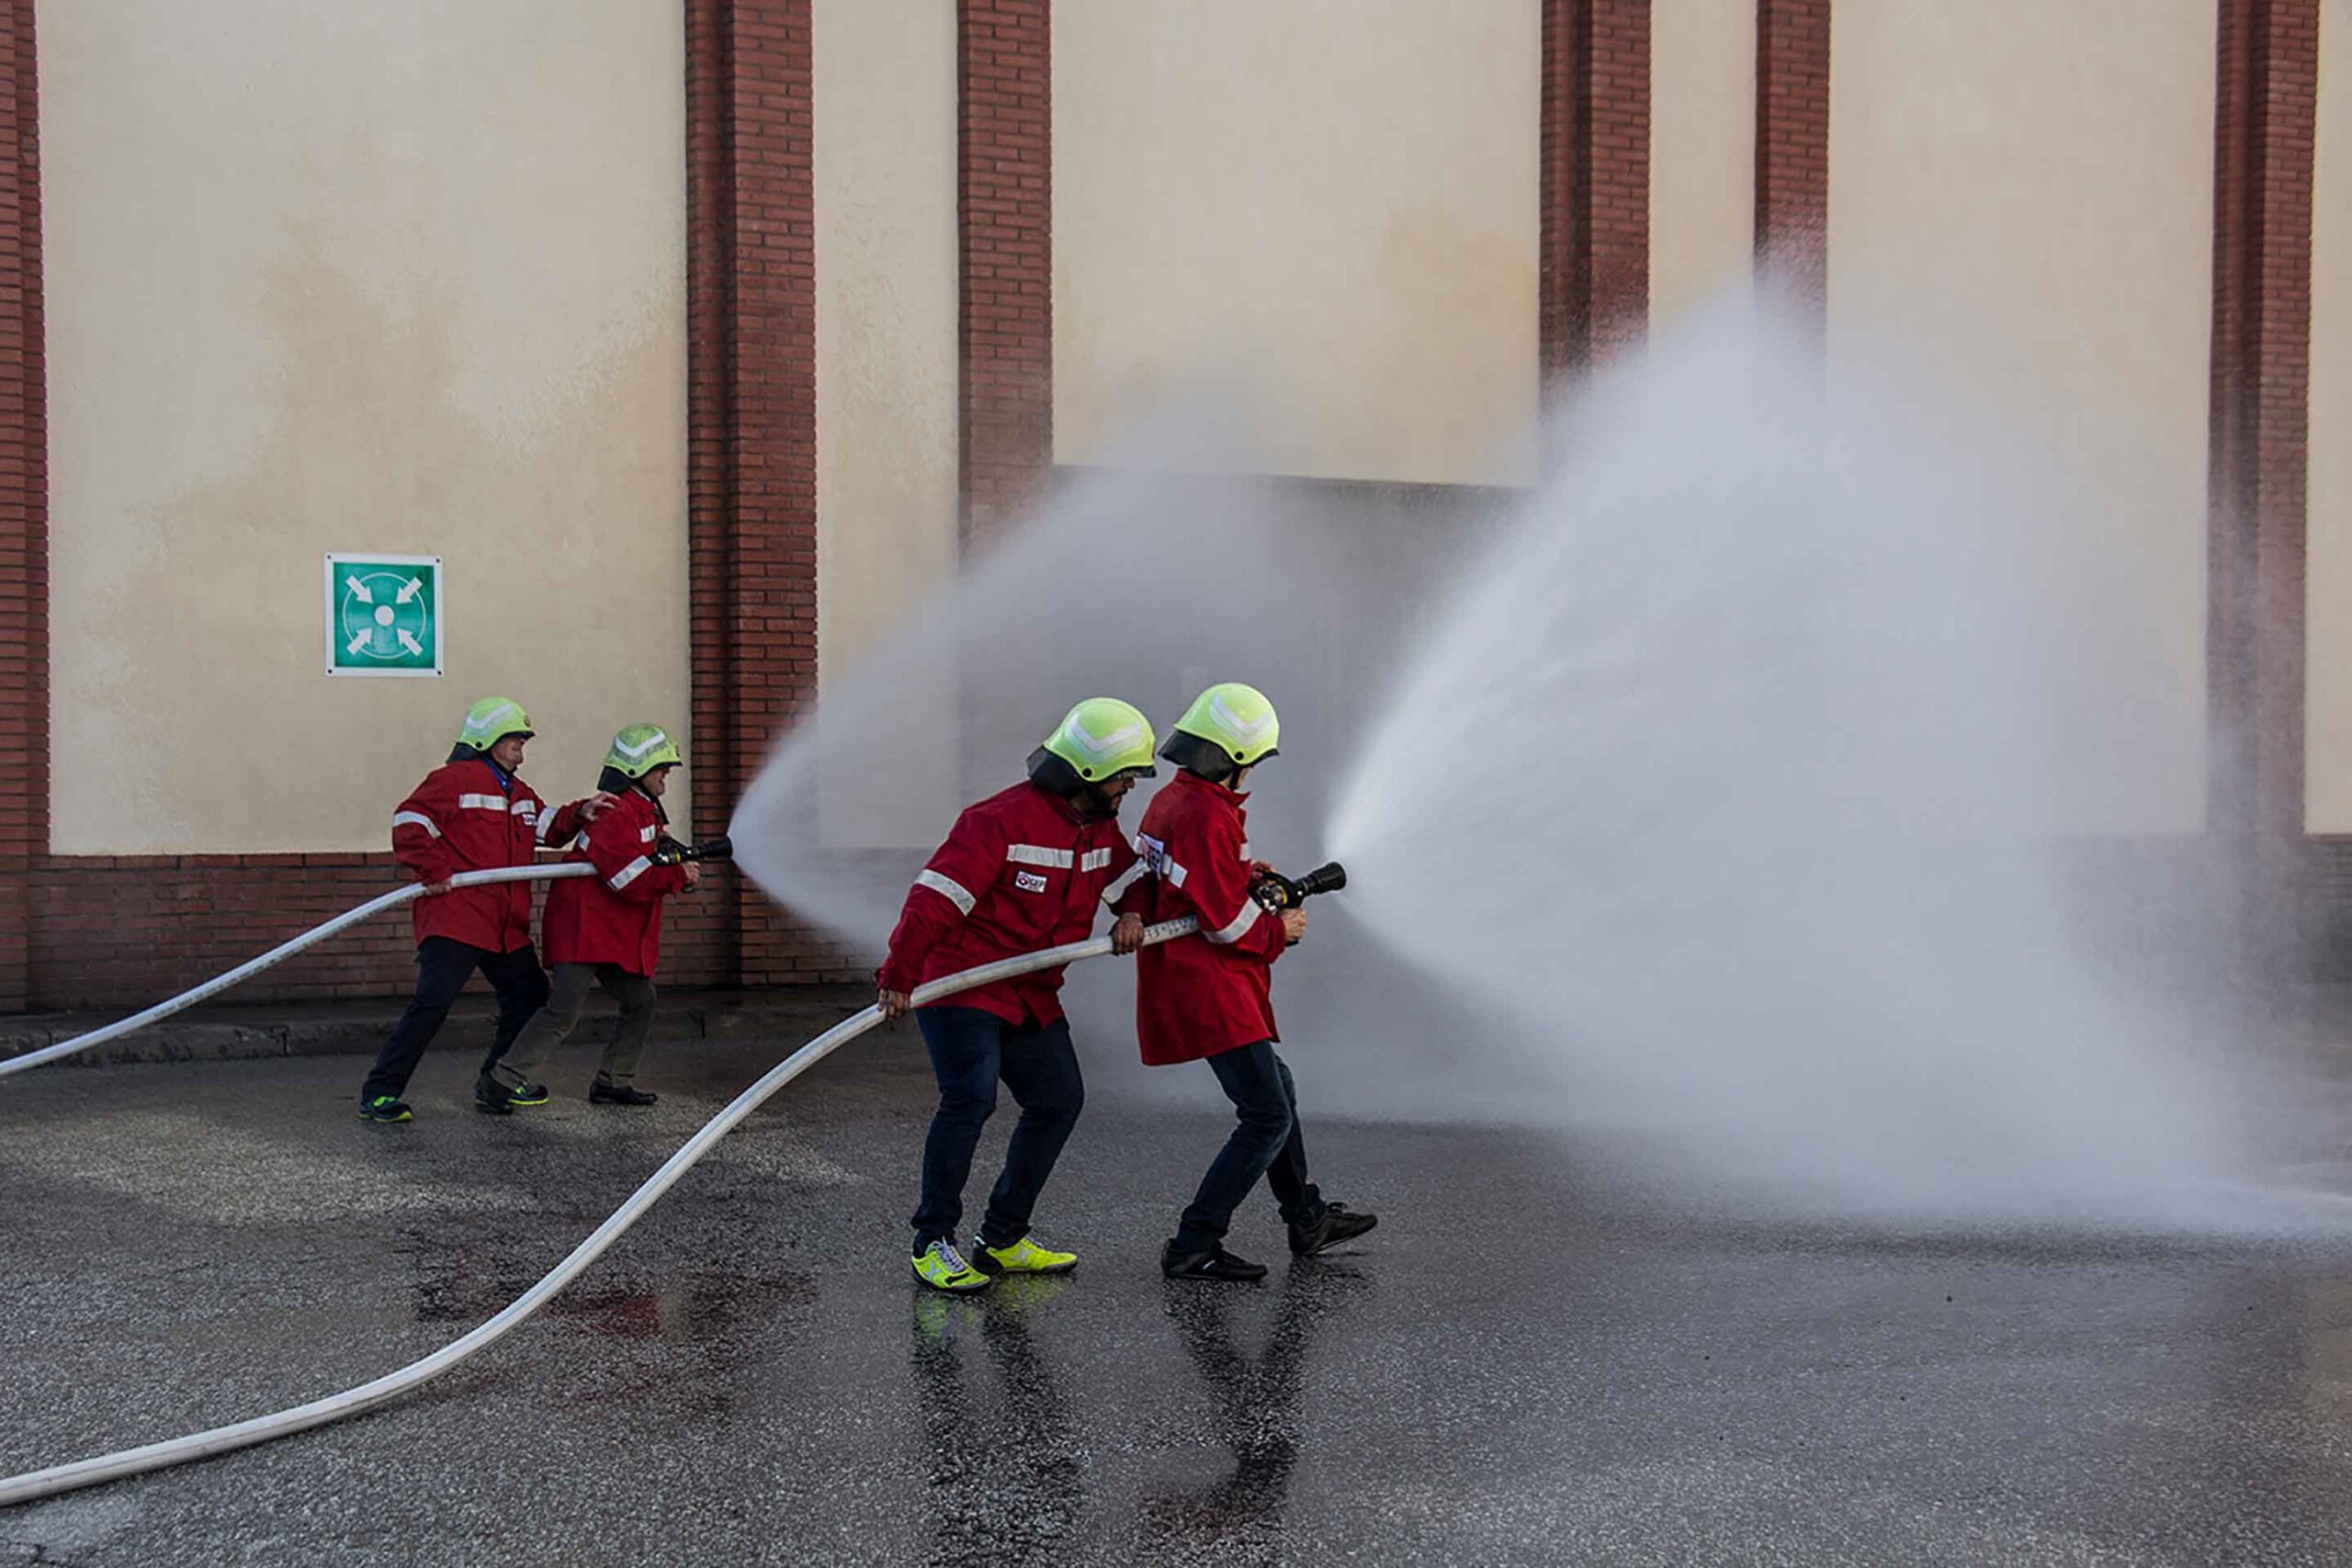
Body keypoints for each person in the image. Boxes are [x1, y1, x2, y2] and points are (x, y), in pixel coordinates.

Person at [878, 699, 1160, 1293]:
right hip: (963, 984)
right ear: (1086, 774)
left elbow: (1131, 879)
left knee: (1059, 1100)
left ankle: (1002, 1238)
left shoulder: (1101, 830)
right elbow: (931, 903)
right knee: (970, 1100)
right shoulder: (997, 822)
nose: (1131, 785)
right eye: (1124, 775)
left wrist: (1132, 912)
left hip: (1032, 991)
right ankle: (932, 1241)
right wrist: (899, 977)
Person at [1132, 682, 1376, 1280]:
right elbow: (1225, 924)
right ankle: (1194, 1242)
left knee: (1278, 1093)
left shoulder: (1171, 801)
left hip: (1194, 981)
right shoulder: (1210, 815)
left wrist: (1245, 872)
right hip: (1212, 985)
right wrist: (1280, 928)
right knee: (1266, 1114)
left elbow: (1189, 882)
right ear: (1234, 760)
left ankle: (1305, 1215)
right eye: (1252, 763)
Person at [356, 696, 614, 1122]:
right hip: (456, 917)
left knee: (529, 994)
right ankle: (380, 1093)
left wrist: (580, 812)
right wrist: (433, 868)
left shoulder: (518, 790)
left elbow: (545, 826)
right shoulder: (453, 780)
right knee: (433, 1004)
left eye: (522, 742)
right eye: (514, 740)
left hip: (503, 925)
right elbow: (409, 821)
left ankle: (497, 1080)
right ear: (487, 739)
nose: (521, 750)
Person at [484, 724, 701, 1111]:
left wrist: (671, 850)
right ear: (637, 771)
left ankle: (614, 1082)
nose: (666, 775)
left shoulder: (641, 806)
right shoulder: (617, 812)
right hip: (583, 928)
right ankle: (501, 1082)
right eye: (660, 768)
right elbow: (627, 878)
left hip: (607, 930)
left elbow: (650, 843)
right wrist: (678, 875)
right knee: (563, 1011)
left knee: (641, 1001)